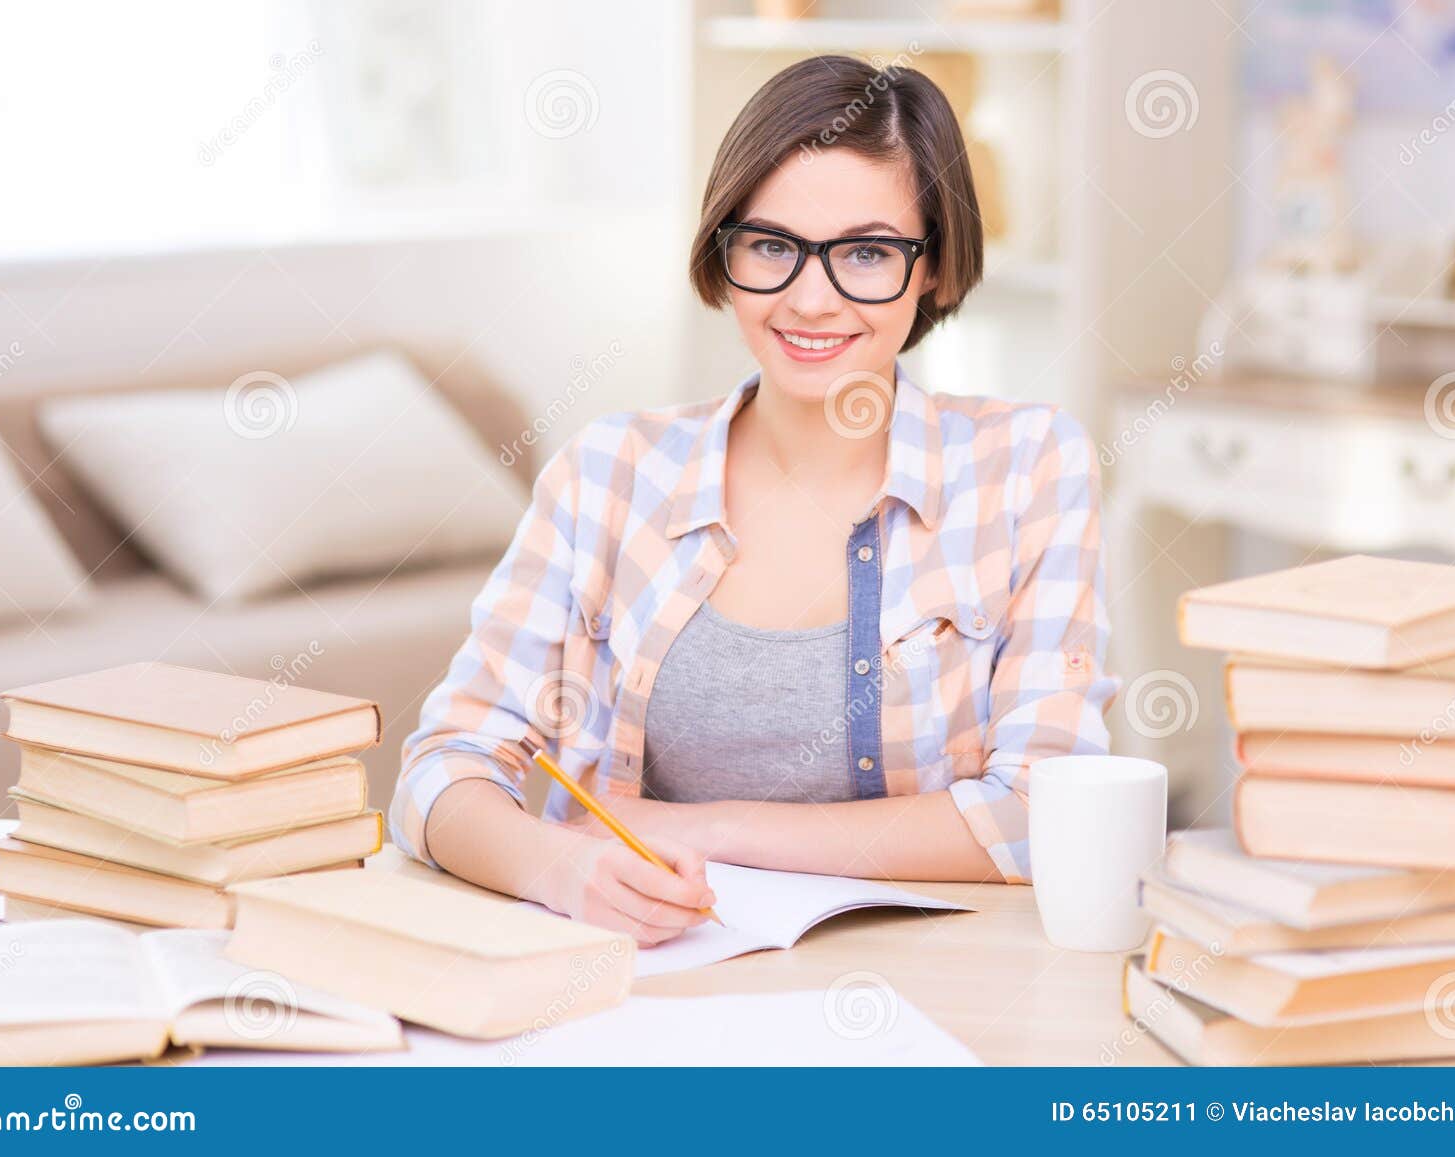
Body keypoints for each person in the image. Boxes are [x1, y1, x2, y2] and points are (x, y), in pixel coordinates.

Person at [390, 55, 1115, 944]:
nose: (812, 299)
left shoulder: (1029, 466)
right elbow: (439, 771)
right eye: (772, 245)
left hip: (934, 987)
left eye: (867, 252)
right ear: (724, 250)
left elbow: (1047, 808)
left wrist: (708, 827)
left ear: (932, 267)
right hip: (656, 981)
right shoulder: (611, 472)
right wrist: (562, 867)